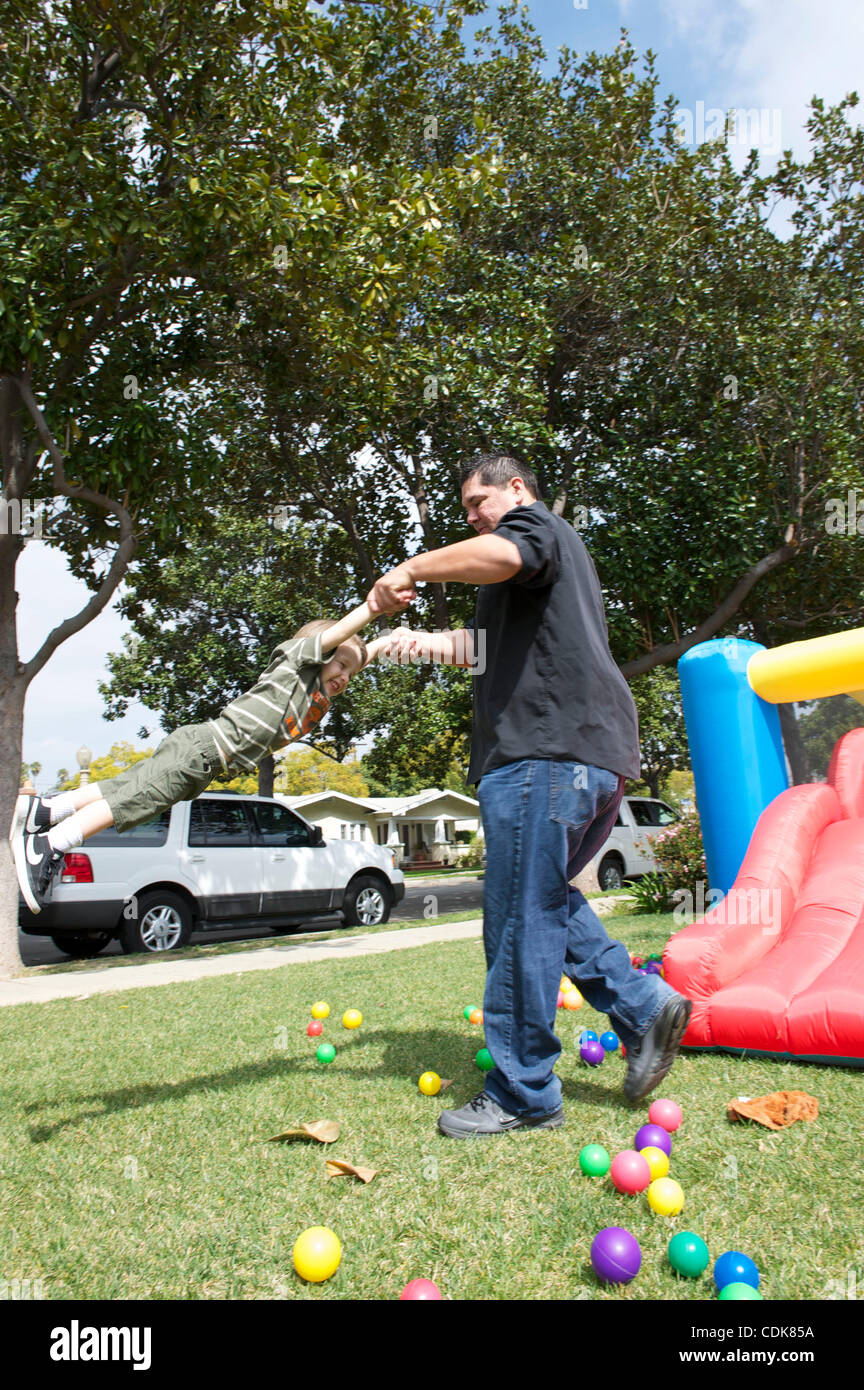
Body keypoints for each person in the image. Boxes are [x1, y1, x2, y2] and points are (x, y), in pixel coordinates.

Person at [369, 452, 692, 1137]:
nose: (474, 517)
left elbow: (503, 552)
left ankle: (523, 1093)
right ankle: (642, 1006)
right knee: (542, 901)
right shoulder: (529, 577)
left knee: (517, 919)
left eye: (477, 503)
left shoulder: (536, 528)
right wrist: (409, 642)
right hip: (587, 756)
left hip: (543, 756)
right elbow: (481, 649)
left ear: (516, 489)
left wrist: (413, 567)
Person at [12, 602, 402, 914]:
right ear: (320, 652)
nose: (346, 676)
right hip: (201, 750)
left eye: (352, 671)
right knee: (134, 800)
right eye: (340, 665)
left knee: (125, 788)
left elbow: (354, 654)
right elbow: (338, 638)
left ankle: (45, 810)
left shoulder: (316, 695)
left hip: (205, 763)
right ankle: (50, 845)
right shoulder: (294, 663)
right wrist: (373, 606)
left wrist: (386, 642)